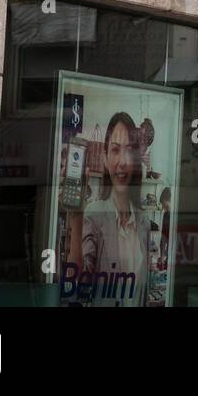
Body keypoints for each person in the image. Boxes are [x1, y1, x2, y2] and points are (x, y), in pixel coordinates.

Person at [64, 112, 151, 307]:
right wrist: (77, 218)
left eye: (129, 150)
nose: (122, 161)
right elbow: (77, 285)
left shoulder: (143, 222)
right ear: (105, 158)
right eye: (115, 150)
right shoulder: (94, 215)